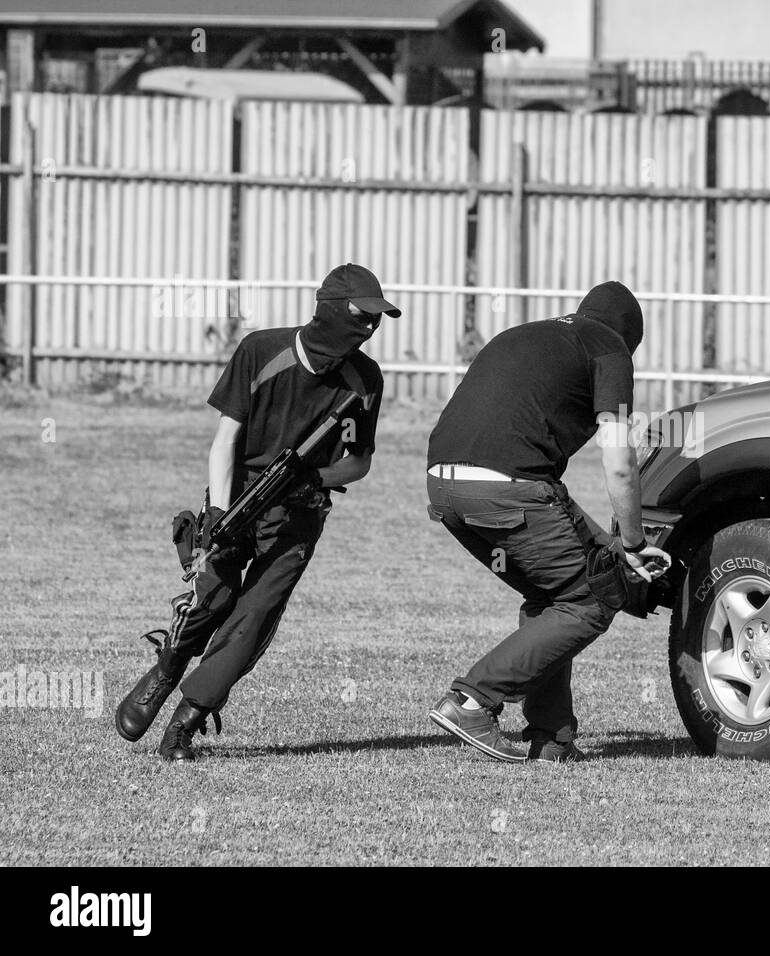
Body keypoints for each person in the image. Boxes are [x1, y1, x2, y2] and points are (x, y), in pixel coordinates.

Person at [115, 263, 397, 761]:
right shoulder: (261, 350)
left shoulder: (365, 379)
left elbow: (359, 462)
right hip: (238, 492)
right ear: (331, 310)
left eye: (377, 319)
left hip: (300, 511)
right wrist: (218, 516)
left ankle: (186, 721)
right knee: (215, 596)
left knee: (254, 615)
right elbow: (224, 440)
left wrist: (314, 480)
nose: (370, 328)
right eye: (360, 315)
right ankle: (168, 666)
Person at [425, 280, 670, 763]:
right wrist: (636, 537)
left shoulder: (528, 334)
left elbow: (523, 462)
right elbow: (619, 459)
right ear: (630, 337)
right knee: (591, 597)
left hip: (443, 484)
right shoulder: (610, 349)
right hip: (506, 487)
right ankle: (472, 700)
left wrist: (615, 546)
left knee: (552, 594)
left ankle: (551, 737)